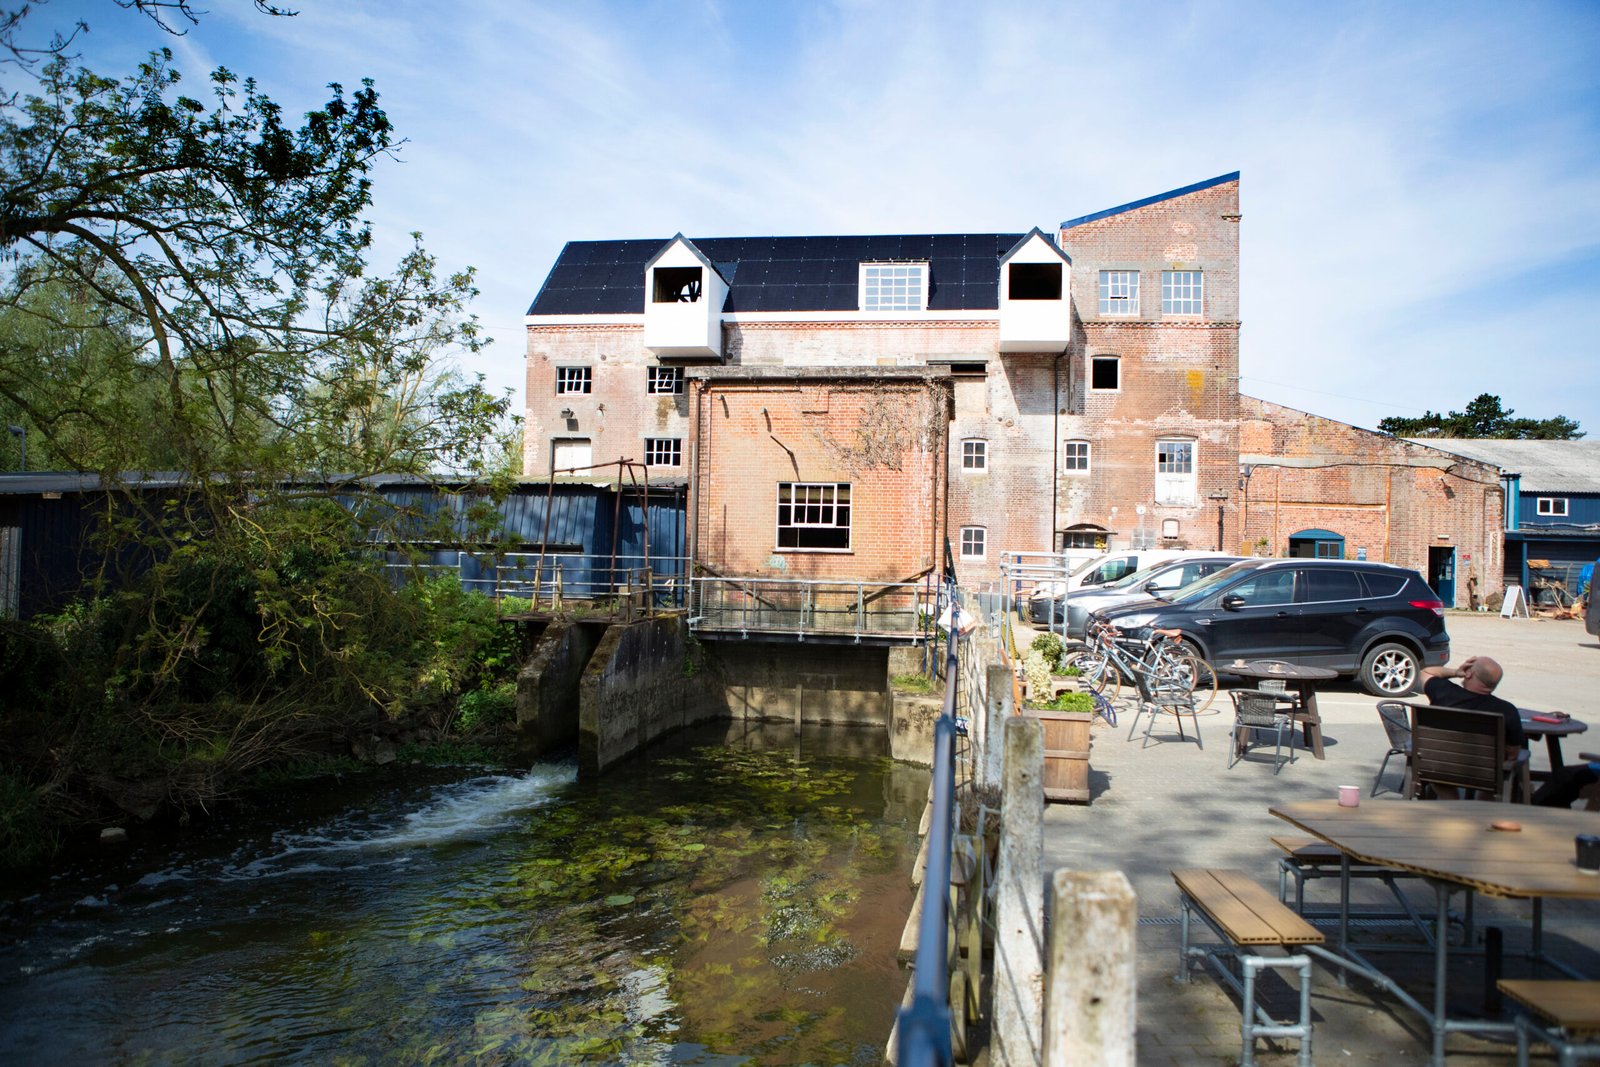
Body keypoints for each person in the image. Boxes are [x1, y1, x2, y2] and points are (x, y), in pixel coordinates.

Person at [1420, 655, 1525, 799]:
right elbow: (1513, 752)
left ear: (1469, 673)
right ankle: (1480, 806)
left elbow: (1426, 672)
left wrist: (1456, 672)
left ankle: (1453, 805)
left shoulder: (1443, 691)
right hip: (1485, 775)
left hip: (1440, 768)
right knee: (1500, 769)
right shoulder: (1507, 710)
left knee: (1442, 774)